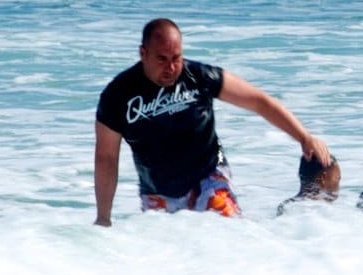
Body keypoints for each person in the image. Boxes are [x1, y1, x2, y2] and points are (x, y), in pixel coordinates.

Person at [94, 18, 333, 223]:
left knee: (230, 238)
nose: (171, 67)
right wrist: (103, 217)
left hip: (208, 176)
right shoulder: (117, 96)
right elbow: (106, 158)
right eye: (162, 59)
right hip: (157, 192)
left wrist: (304, 137)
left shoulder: (198, 77)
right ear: (143, 53)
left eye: (176, 57)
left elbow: (259, 102)